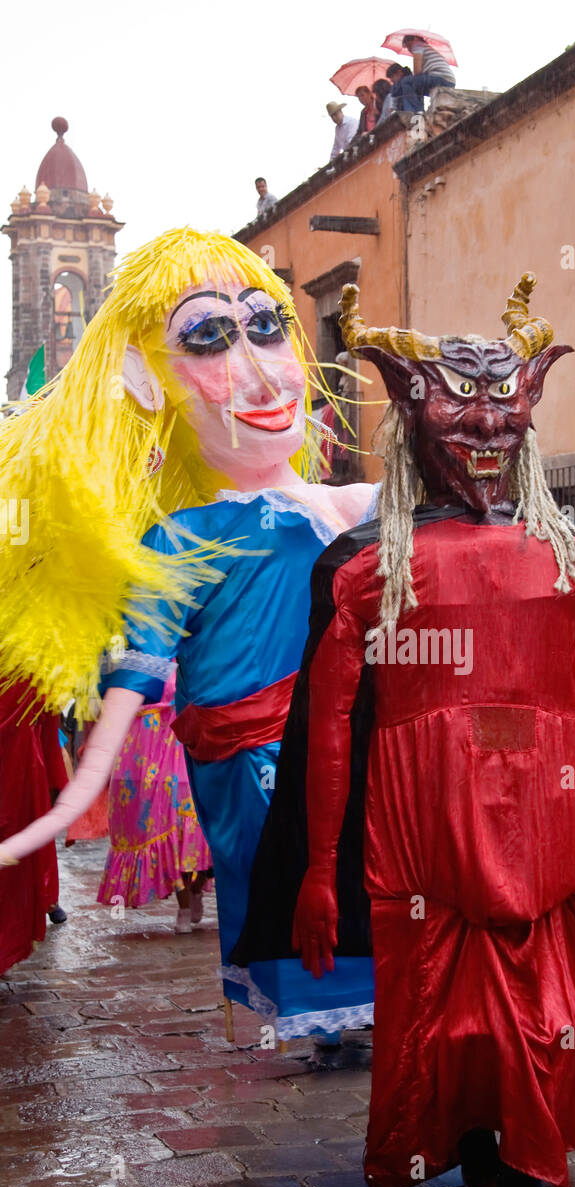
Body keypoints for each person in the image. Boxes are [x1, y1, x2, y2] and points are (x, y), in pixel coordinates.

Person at [239, 275, 575, 1187]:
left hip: (550, 835)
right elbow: (325, 729)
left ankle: (524, 1156)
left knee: (543, 993)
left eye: (504, 423)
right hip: (423, 842)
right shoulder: (366, 563)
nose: (486, 440)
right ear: (416, 428)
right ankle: (497, 1156)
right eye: (463, 421)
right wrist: (318, 873)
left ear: (526, 426)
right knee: (445, 1008)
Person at [0, 228, 377, 1041]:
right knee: (271, 870)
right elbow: (140, 661)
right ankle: (314, 1011)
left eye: (268, 325)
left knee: (356, 867)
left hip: (343, 739)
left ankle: (359, 1003)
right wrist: (72, 794)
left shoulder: (352, 507)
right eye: (208, 337)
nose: (256, 363)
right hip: (246, 752)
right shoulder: (183, 537)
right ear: (149, 378)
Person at [97, 667, 213, 933]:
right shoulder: (138, 660)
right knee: (164, 829)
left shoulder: (190, 656)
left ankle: (196, 889)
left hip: (183, 750)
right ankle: (184, 904)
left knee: (194, 830)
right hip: (144, 755)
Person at [0, 683, 68, 975]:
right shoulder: (36, 660)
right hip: (20, 773)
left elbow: (51, 730)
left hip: (20, 773)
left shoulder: (34, 662)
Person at [386, 36, 456, 113]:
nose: (409, 50)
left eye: (409, 46)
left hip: (440, 78)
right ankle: (418, 110)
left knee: (406, 82)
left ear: (415, 39)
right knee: (414, 87)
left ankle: (414, 111)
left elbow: (417, 71)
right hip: (448, 80)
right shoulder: (426, 48)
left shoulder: (417, 45)